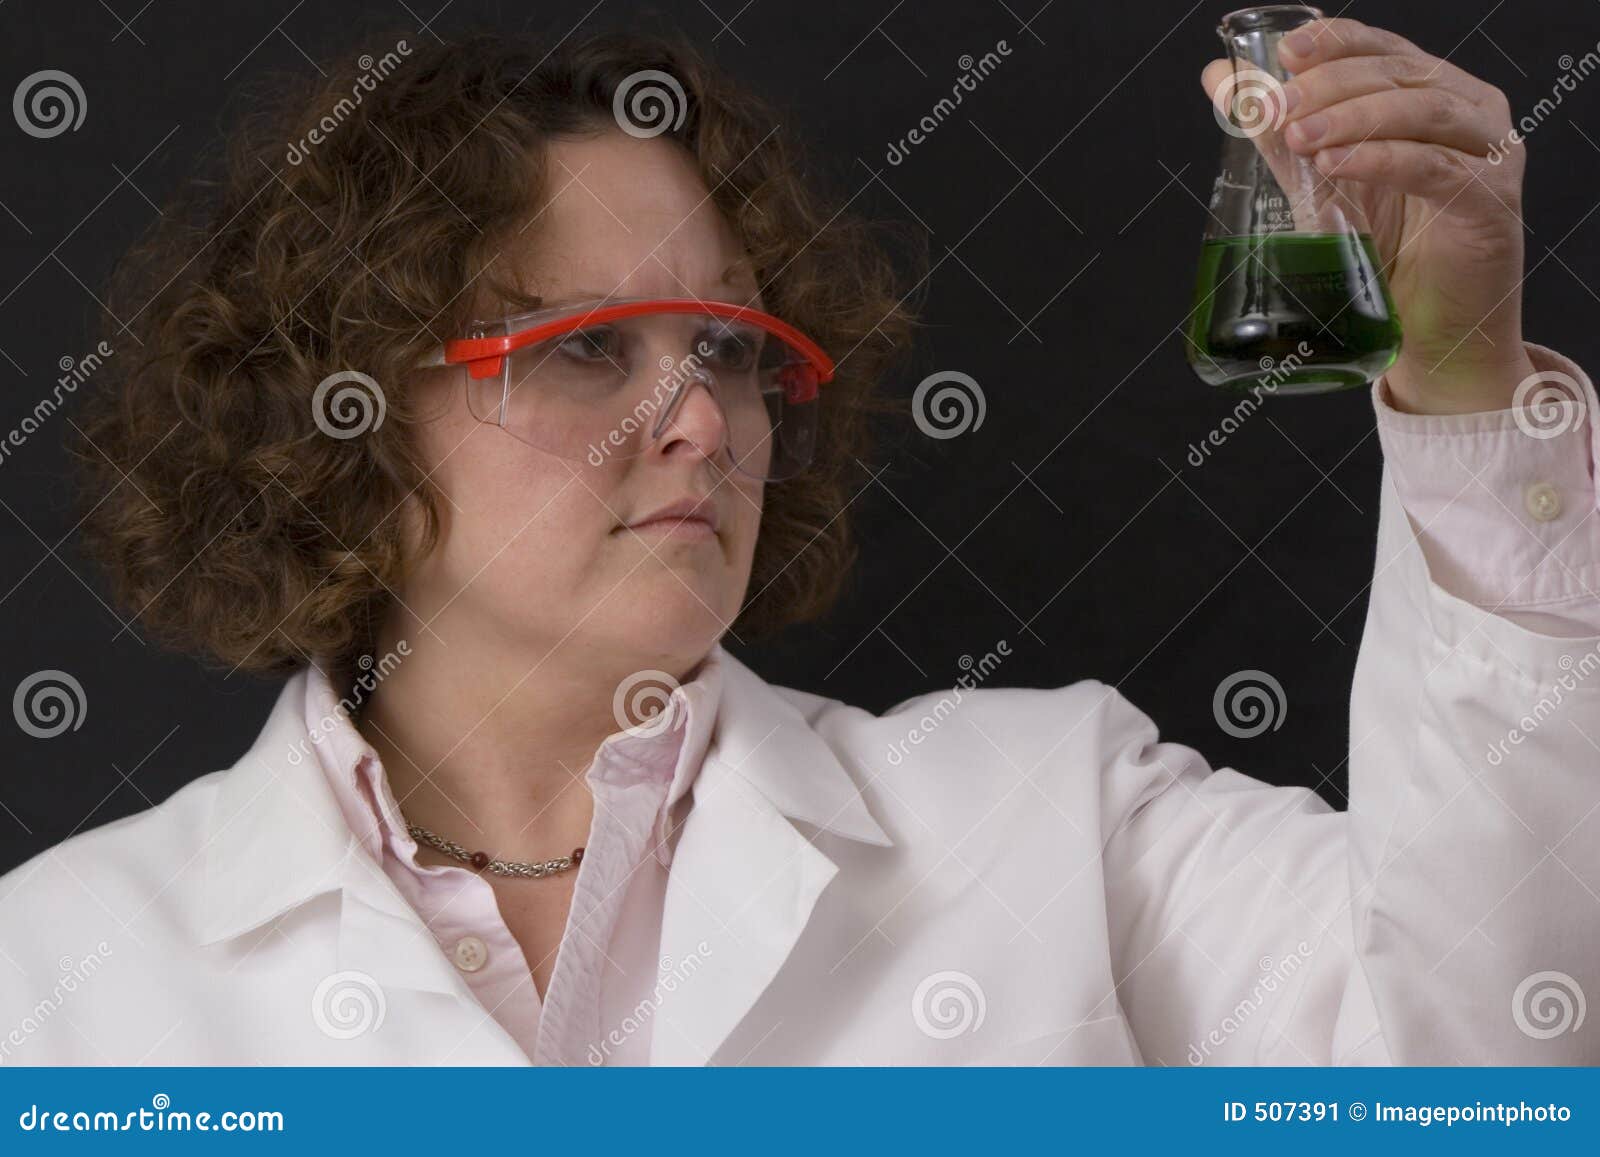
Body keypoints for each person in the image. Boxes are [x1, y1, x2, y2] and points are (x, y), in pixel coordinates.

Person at [1, 20, 1595, 1066]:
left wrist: (1464, 385)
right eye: (589, 348)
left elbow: (1499, 1066)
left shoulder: (1056, 825)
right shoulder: (59, 978)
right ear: (337, 409)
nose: (706, 421)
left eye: (735, 352)